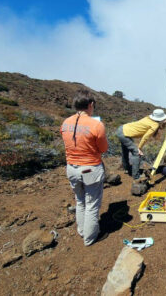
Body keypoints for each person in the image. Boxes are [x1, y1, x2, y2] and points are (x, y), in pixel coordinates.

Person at [60, 89, 109, 246]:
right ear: (91, 104)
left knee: (80, 201)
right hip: (90, 168)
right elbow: (103, 149)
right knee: (92, 204)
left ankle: (82, 231)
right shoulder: (97, 124)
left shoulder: (65, 122)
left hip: (71, 168)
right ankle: (90, 238)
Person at [116, 109, 166, 180]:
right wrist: (139, 148)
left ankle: (127, 169)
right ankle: (136, 176)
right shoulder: (155, 125)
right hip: (124, 134)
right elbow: (145, 137)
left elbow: (159, 126)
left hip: (122, 128)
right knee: (137, 153)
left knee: (125, 151)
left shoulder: (148, 118)